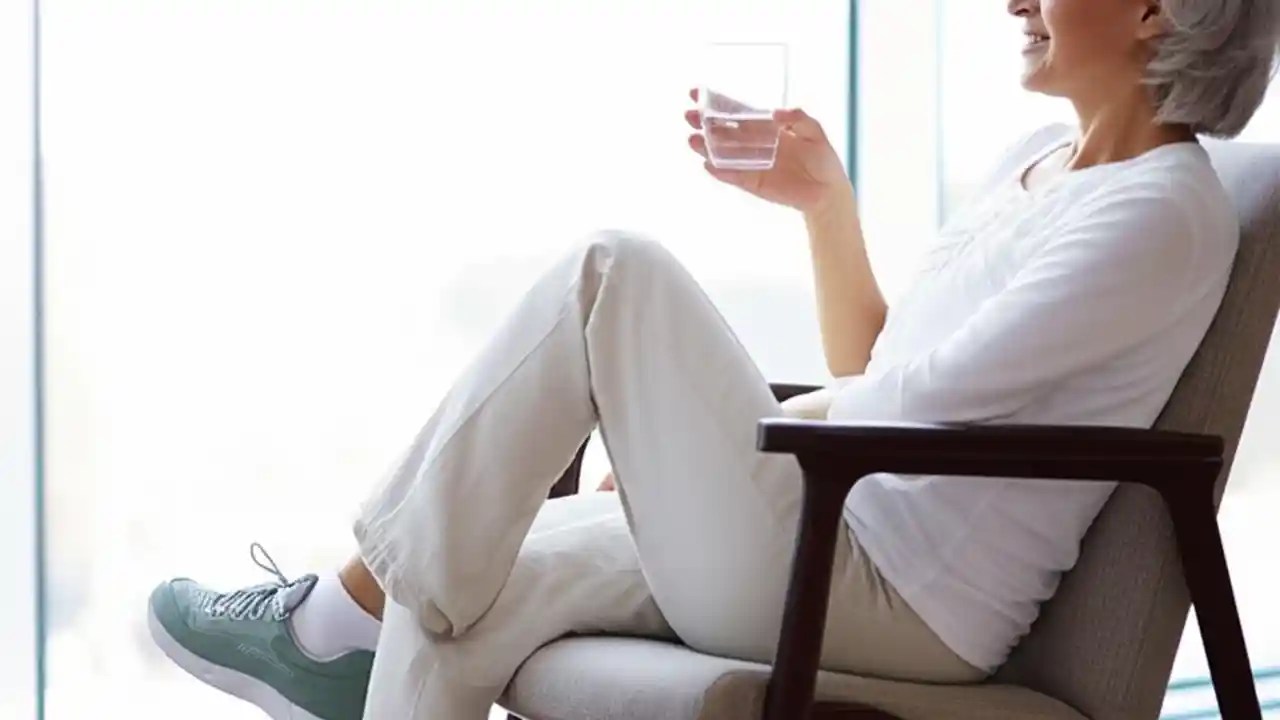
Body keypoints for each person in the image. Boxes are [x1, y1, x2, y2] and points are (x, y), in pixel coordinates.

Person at [144, 1, 1280, 718]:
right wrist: (824, 206)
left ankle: (328, 623)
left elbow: (921, 402)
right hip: (827, 534)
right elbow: (887, 363)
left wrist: (684, 450)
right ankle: (343, 646)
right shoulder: (1037, 163)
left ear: (1154, 10)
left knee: (610, 270)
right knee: (480, 587)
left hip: (895, 597)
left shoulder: (1162, 213)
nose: (1013, 0)